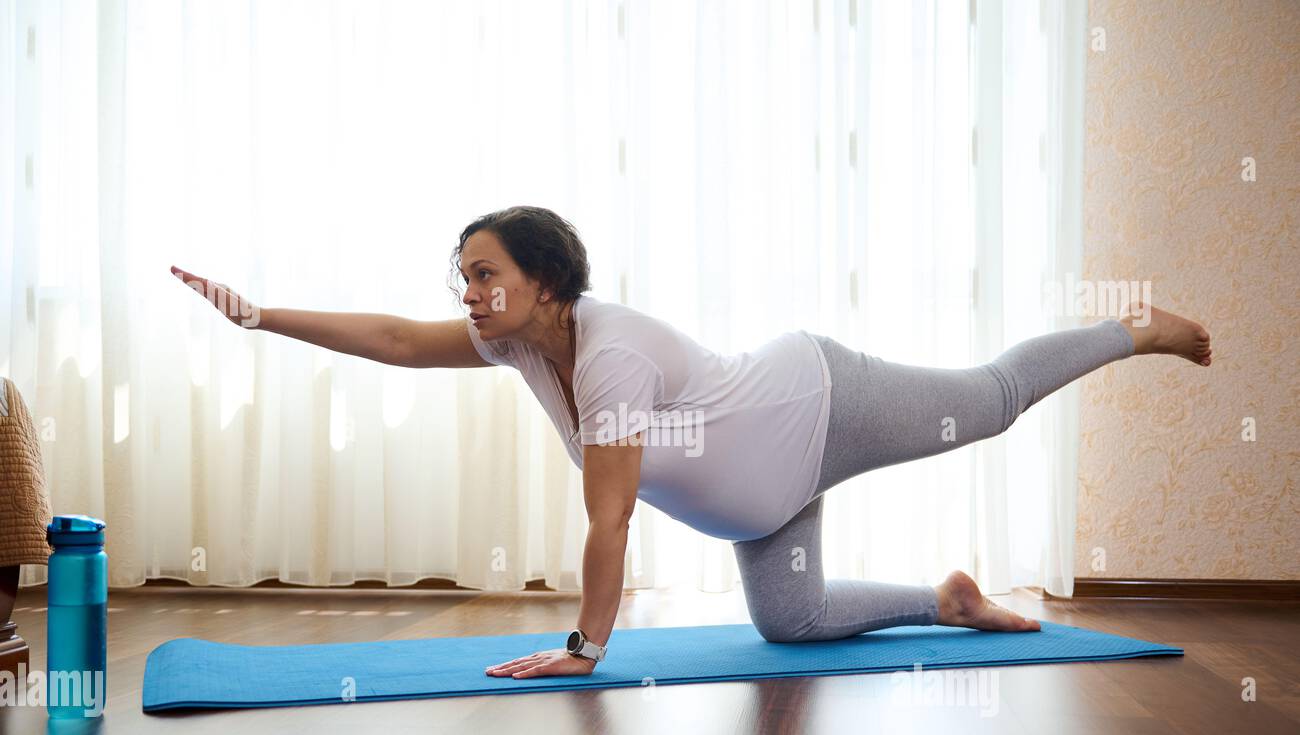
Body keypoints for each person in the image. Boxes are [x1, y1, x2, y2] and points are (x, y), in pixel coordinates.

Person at [171, 205, 1212, 680]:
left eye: (485, 273)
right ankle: (943, 602)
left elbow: (610, 517)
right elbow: (397, 339)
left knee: (987, 402)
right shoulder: (520, 347)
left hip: (819, 403)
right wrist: (263, 317)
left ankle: (1135, 329)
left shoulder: (608, 355)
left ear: (545, 282)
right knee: (792, 624)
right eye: (464, 274)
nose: (469, 293)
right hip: (764, 491)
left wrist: (585, 648)